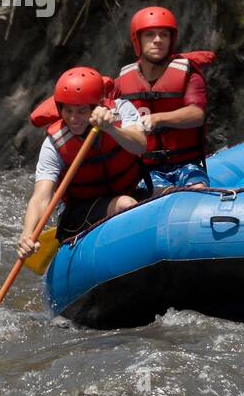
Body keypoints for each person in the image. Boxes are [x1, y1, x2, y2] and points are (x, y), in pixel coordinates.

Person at [18, 67, 148, 259]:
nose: (73, 118)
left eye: (81, 111)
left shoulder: (121, 109)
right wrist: (27, 233)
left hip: (127, 190)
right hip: (80, 212)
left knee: (176, 191)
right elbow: (41, 197)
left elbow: (140, 146)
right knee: (126, 204)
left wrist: (111, 129)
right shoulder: (55, 143)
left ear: (97, 106)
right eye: (68, 110)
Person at [112, 6, 216, 190]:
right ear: (138, 40)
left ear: (171, 40)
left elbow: (196, 114)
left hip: (187, 165)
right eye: (150, 35)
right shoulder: (121, 84)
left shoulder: (190, 74)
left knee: (198, 189)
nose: (157, 40)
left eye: (164, 35)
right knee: (162, 194)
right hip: (145, 169)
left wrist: (157, 118)